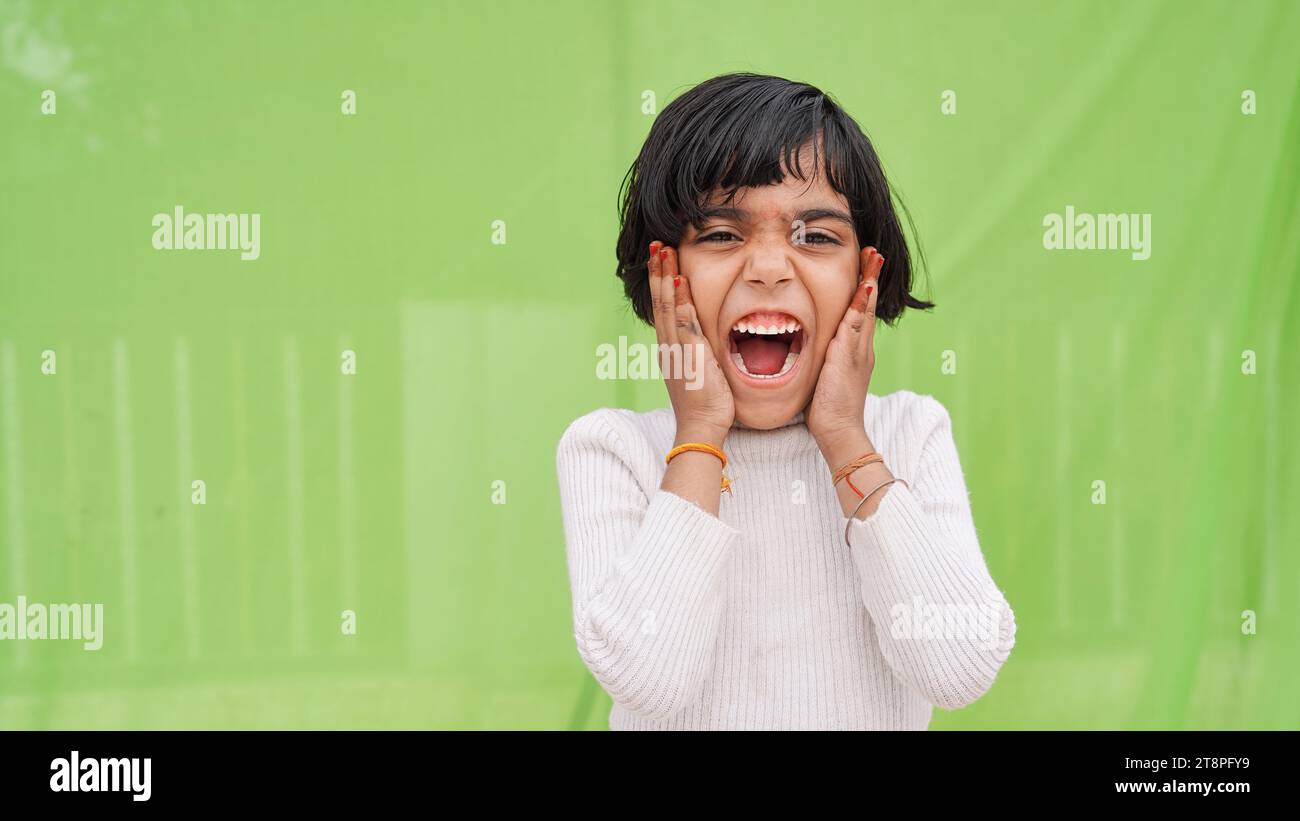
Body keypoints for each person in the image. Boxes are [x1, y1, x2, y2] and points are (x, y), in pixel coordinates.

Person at [557, 72, 1016, 730]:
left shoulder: (910, 434)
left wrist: (846, 441)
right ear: (665, 274)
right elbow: (646, 679)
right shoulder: (612, 451)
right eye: (720, 234)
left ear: (866, 274)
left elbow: (959, 666)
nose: (768, 267)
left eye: (816, 236)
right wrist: (700, 435)